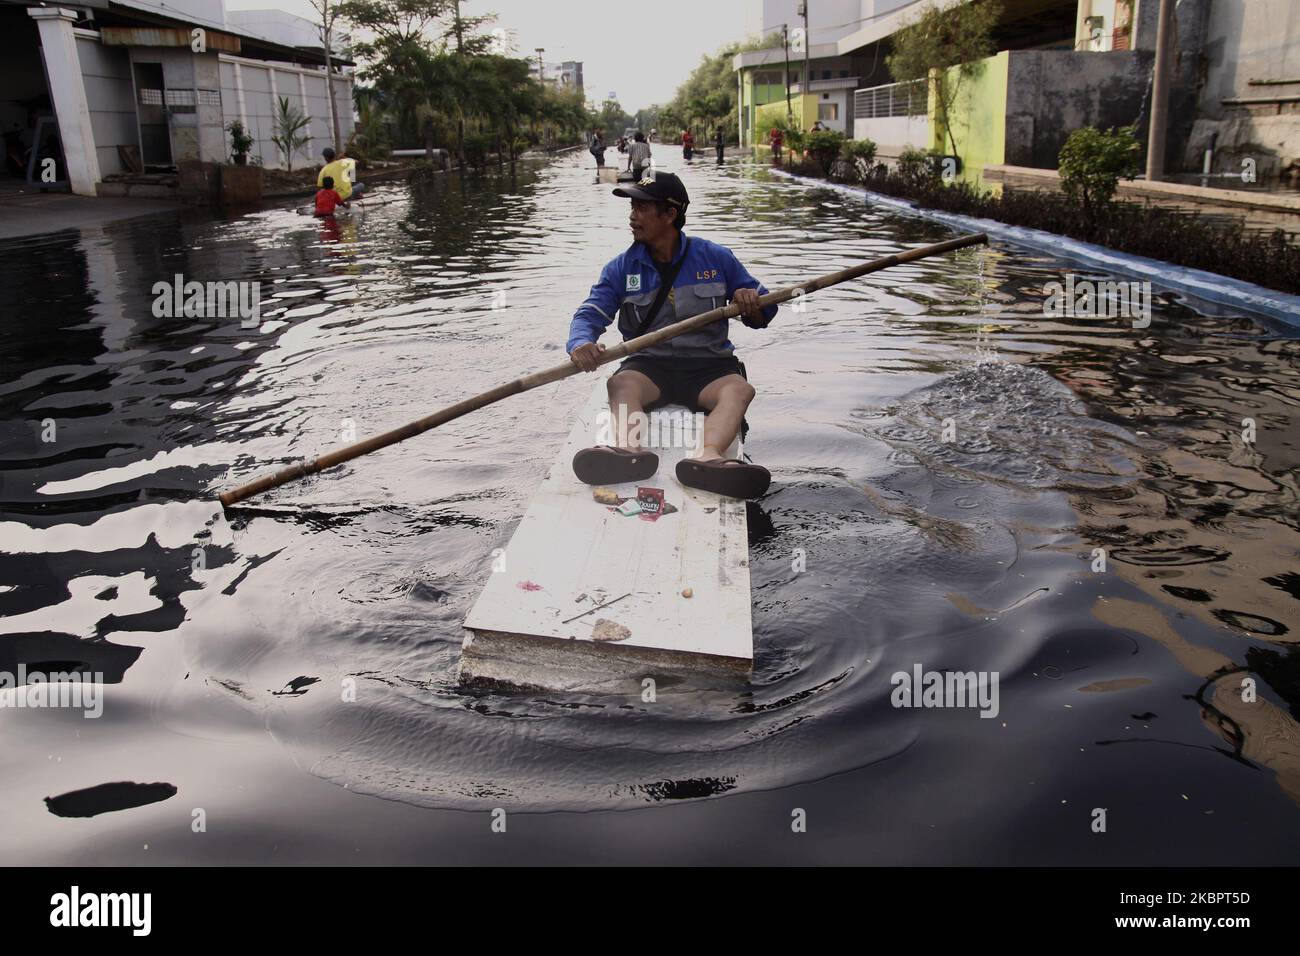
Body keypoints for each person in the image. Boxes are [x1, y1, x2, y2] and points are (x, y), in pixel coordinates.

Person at [566, 171, 777, 499]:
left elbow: (765, 312)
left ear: (670, 215)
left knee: (739, 390)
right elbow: (590, 314)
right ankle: (626, 452)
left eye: (641, 209)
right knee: (621, 383)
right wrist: (581, 343)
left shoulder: (715, 258)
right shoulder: (621, 268)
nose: (632, 217)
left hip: (709, 368)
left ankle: (709, 458)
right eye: (631, 208)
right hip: (651, 367)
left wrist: (750, 303)